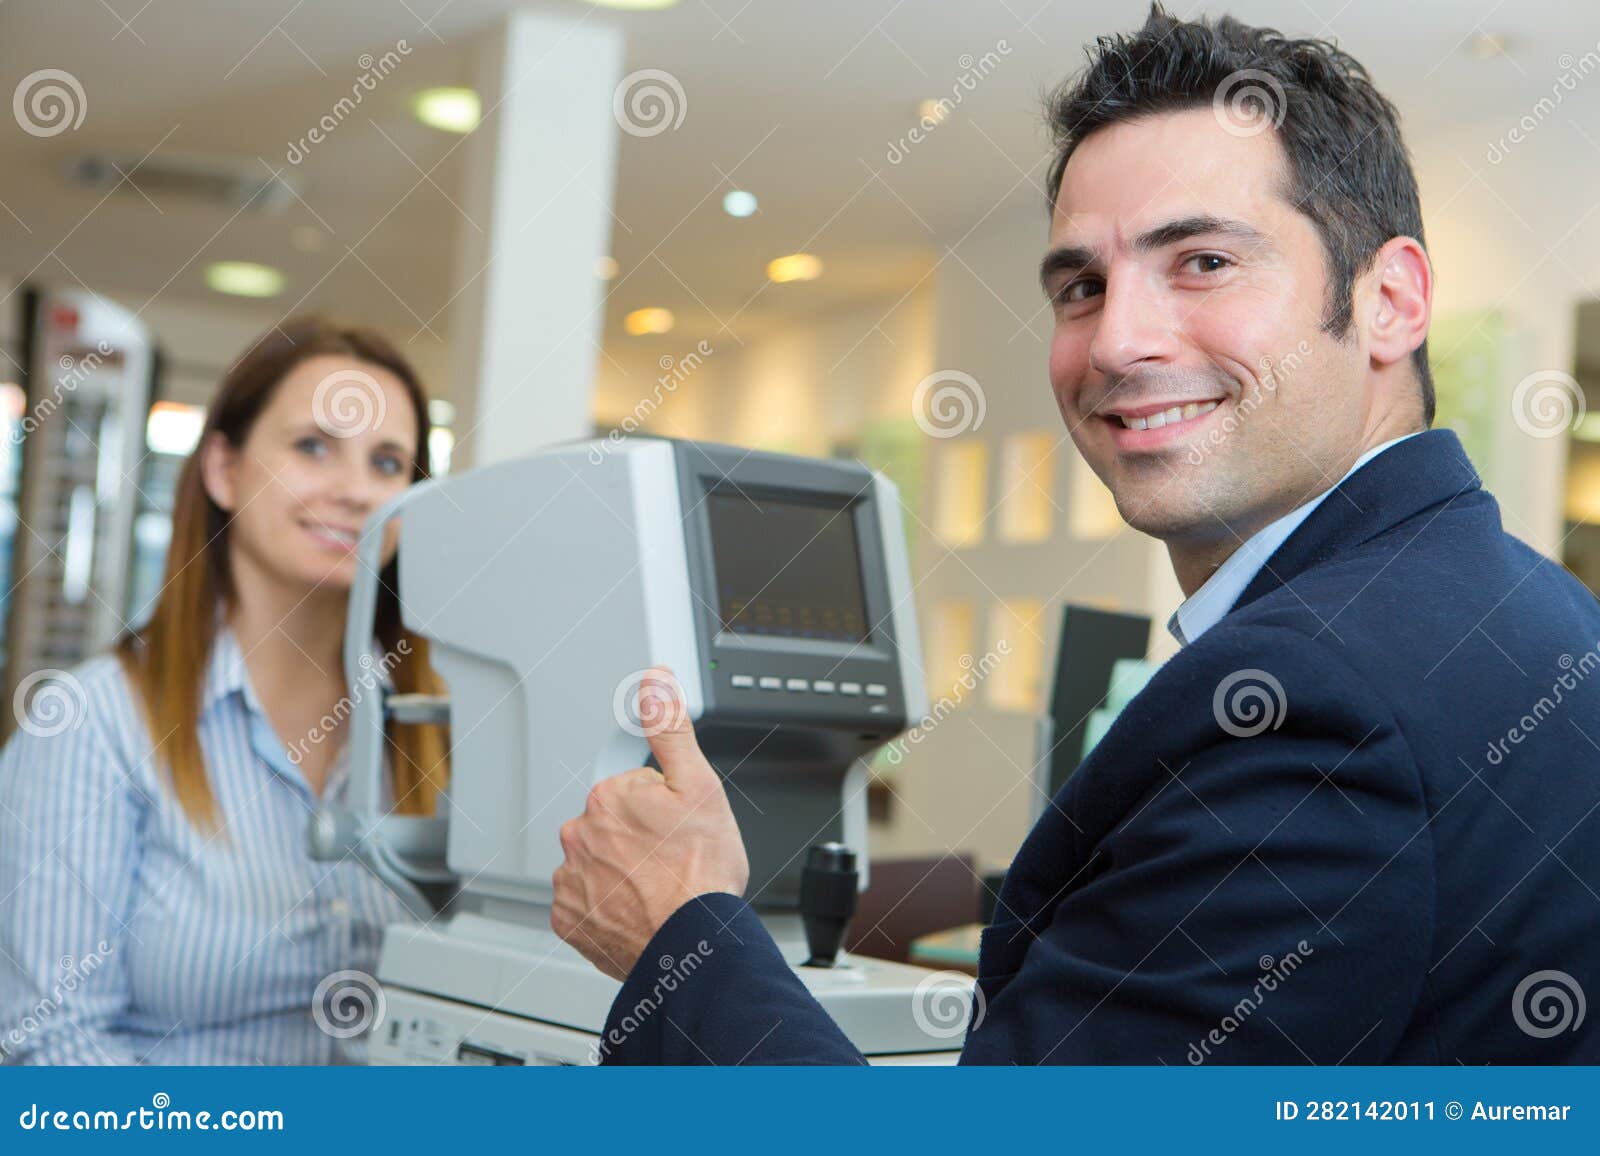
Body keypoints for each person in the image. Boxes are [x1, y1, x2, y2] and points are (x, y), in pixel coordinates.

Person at [550, 6, 1600, 1064]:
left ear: (1390, 299)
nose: (1117, 341)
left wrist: (679, 936)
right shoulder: (1538, 607)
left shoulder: (1316, 703)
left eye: (1200, 262)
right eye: (1081, 287)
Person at [0, 317, 448, 1064]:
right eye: (313, 447)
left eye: (388, 463)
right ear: (223, 469)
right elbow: (50, 1045)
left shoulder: (438, 727)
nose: (355, 492)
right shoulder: (90, 725)